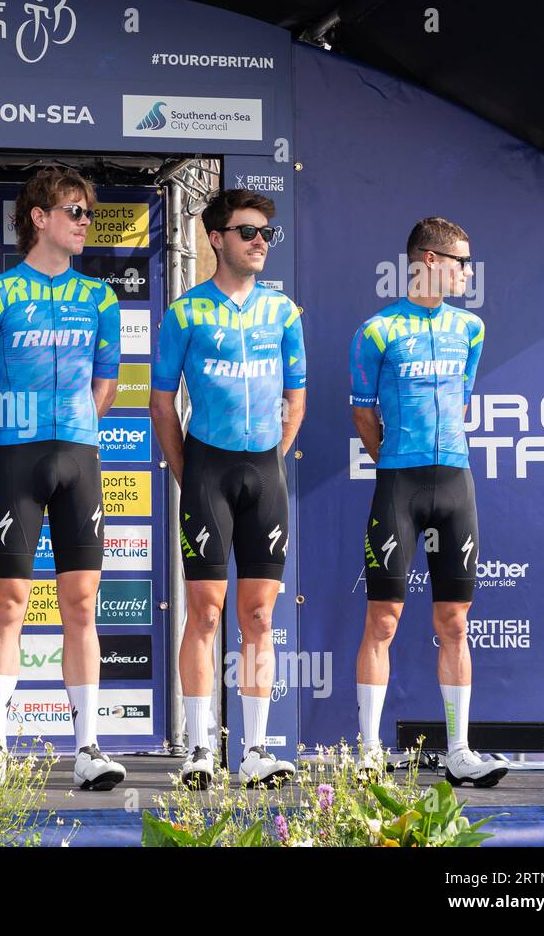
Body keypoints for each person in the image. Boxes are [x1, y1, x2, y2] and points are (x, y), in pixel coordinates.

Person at [0, 167, 125, 791]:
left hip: (78, 457)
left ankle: (88, 748)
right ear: (39, 217)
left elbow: (104, 384)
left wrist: (75, 427)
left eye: (87, 213)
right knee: (10, 603)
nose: (85, 222)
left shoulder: (100, 298)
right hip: (18, 462)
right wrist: (11, 444)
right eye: (74, 212)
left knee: (82, 605)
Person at [150, 189, 306, 788]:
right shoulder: (186, 313)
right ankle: (197, 750)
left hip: (262, 471)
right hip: (206, 471)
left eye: (267, 232)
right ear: (216, 238)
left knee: (260, 615)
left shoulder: (284, 312)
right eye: (247, 231)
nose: (260, 241)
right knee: (205, 613)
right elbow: (162, 406)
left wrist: (273, 457)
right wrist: (190, 473)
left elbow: (297, 398)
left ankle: (256, 751)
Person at [350, 217, 506, 788]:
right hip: (400, 483)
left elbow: (461, 397)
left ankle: (459, 752)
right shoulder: (377, 331)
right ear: (429, 260)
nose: (468, 270)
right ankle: (367, 752)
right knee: (383, 619)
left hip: (455, 481)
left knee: (455, 621)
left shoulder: (471, 328)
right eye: (461, 261)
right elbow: (364, 413)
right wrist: (392, 458)